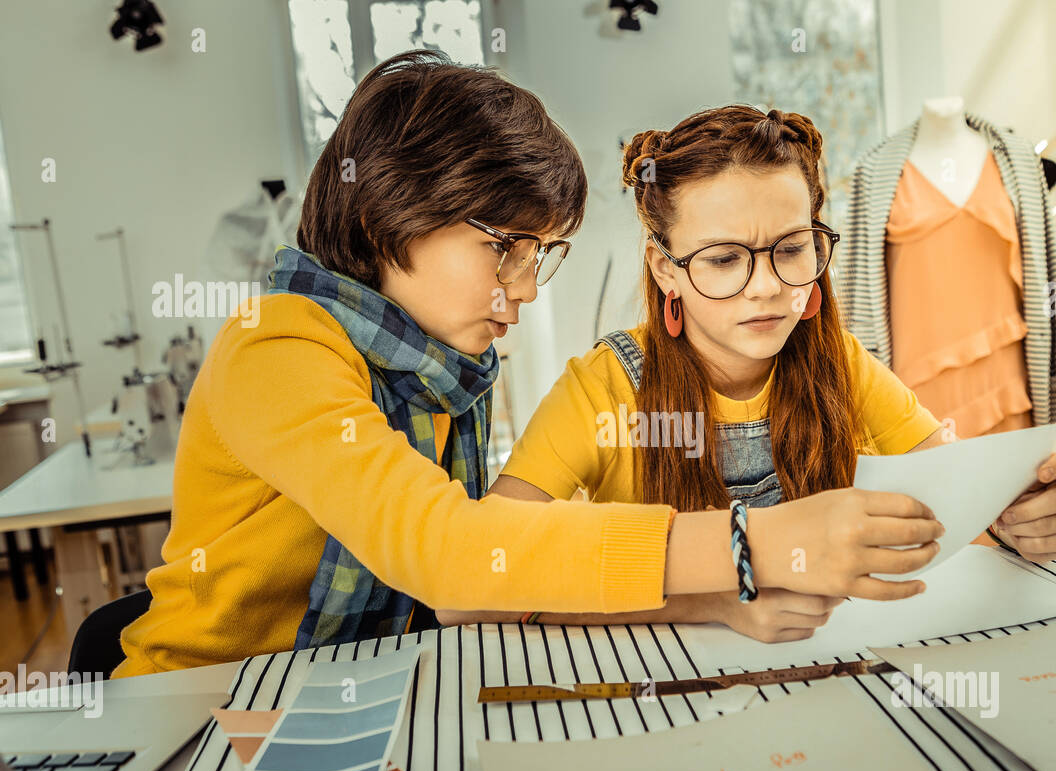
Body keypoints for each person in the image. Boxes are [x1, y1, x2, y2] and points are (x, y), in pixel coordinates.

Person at [111, 57, 945, 677]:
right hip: (199, 706)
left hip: (353, 689)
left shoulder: (438, 371)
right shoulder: (279, 345)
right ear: (386, 213)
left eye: (539, 256)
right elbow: (450, 553)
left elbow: (486, 574)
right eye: (505, 249)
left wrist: (714, 596)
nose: (525, 290)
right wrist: (747, 543)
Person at [456, 105, 1056, 644]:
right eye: (725, 258)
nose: (765, 288)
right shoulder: (604, 387)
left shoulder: (840, 362)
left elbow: (960, 510)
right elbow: (471, 584)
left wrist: (1018, 524)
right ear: (666, 269)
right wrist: (715, 601)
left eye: (790, 250)